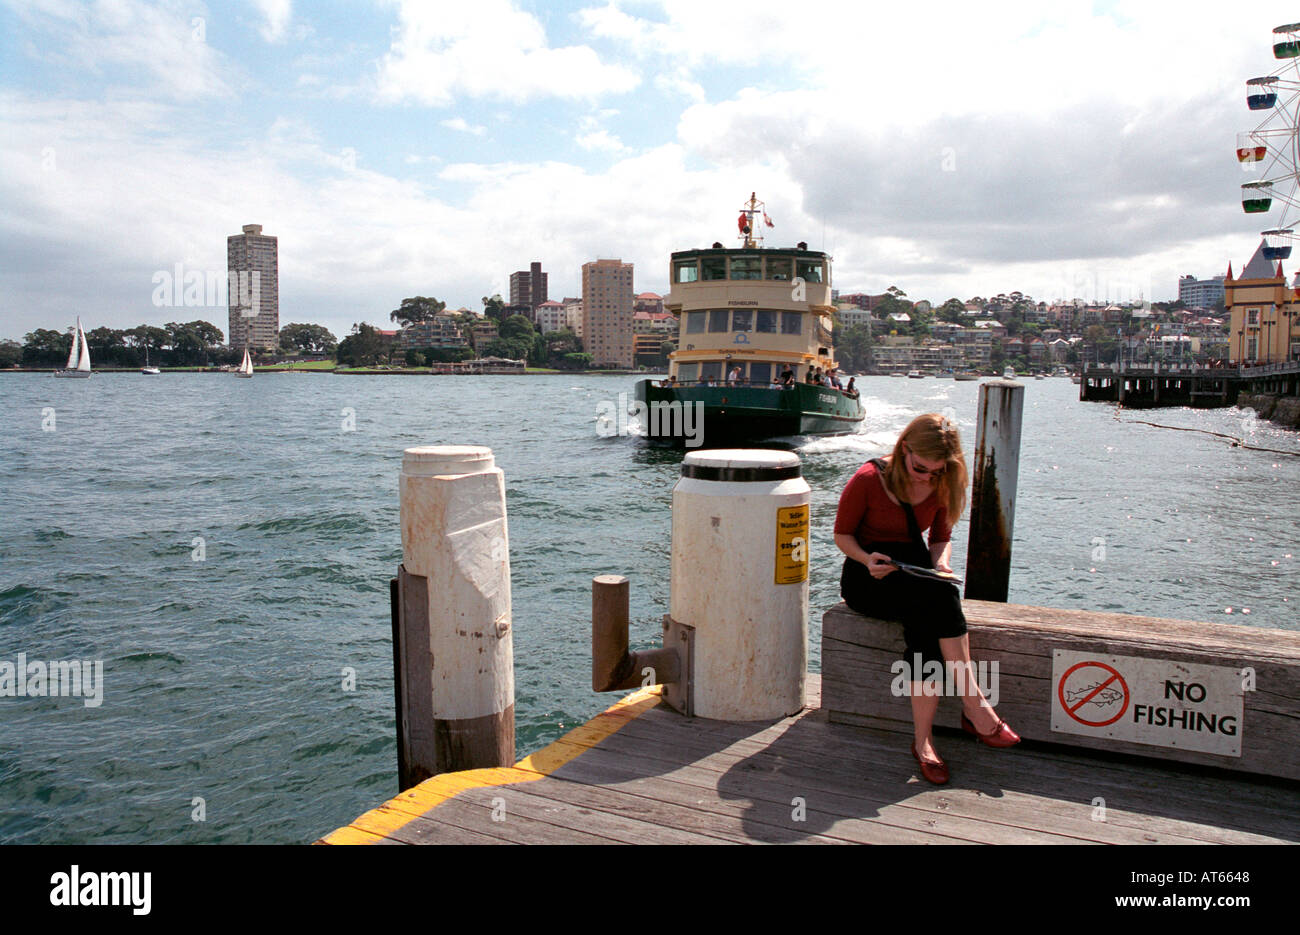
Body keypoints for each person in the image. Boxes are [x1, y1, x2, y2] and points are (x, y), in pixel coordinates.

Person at [833, 413, 1018, 785]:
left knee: (930, 615)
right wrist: (868, 559)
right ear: (904, 449)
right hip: (869, 575)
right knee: (939, 602)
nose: (926, 478)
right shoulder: (869, 479)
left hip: (916, 573)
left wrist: (941, 565)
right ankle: (975, 707)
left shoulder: (944, 481)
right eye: (920, 469)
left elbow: (939, 538)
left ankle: (924, 742)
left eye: (936, 472)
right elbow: (842, 536)